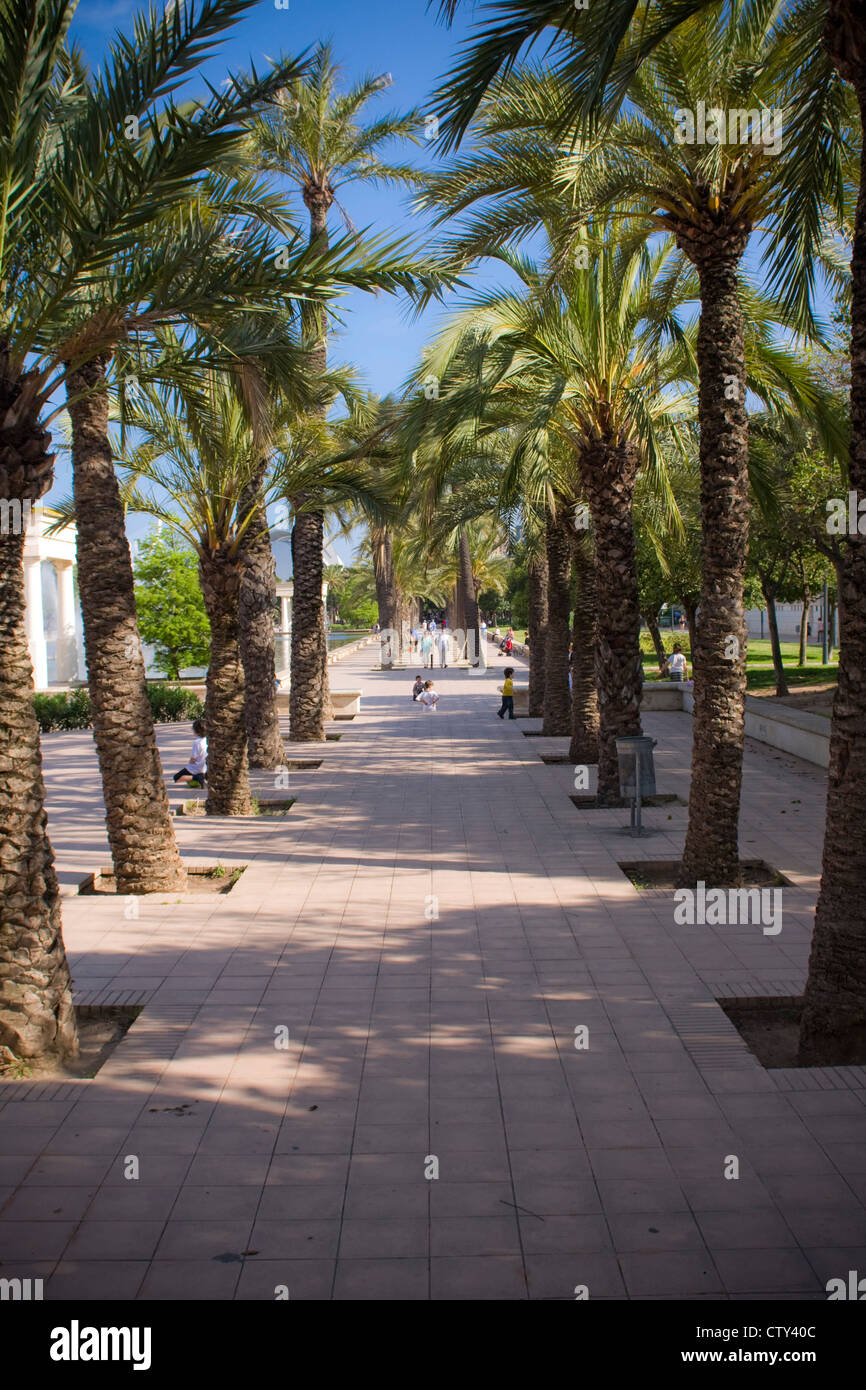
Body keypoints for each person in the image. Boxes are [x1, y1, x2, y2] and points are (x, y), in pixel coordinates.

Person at [174, 719, 207, 787]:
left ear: (196, 731)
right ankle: (202, 776)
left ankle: (197, 778)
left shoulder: (197, 742)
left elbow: (193, 759)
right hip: (204, 767)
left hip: (195, 768)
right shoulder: (207, 740)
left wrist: (188, 764)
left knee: (176, 778)